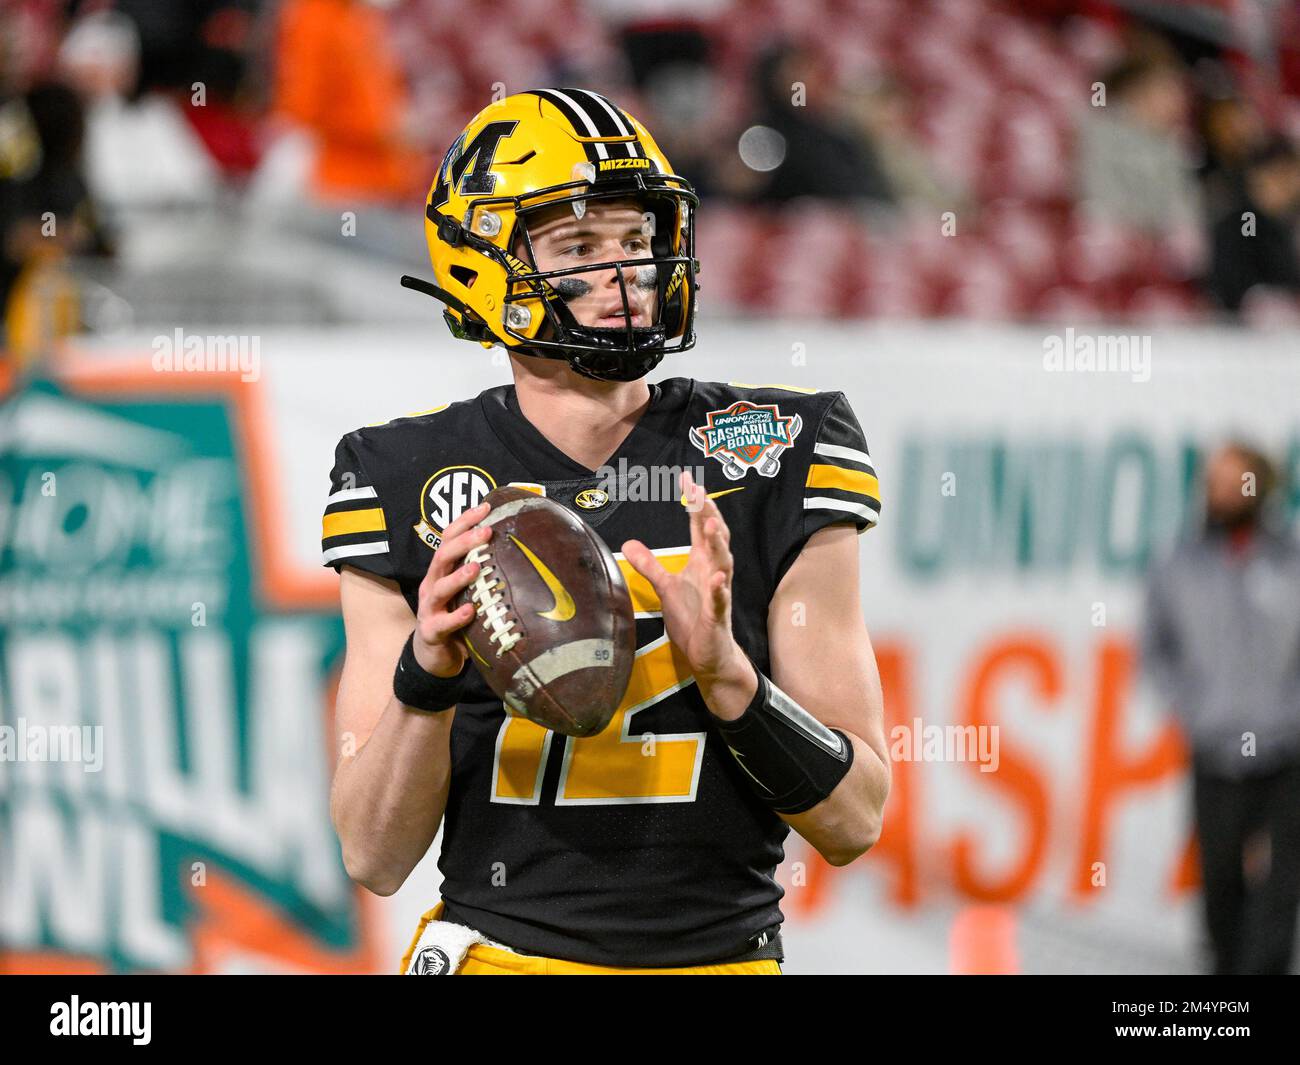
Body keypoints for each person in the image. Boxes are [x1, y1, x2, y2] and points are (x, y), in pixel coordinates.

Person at [322, 89, 890, 975]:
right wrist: (427, 671)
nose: (625, 275)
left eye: (636, 239)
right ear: (485, 264)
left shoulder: (781, 448)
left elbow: (855, 820)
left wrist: (732, 680)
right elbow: (374, 854)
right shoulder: (399, 473)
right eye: (579, 246)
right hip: (504, 959)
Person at [1143, 443, 1300, 974]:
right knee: (1221, 894)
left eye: (1235, 483)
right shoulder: (1179, 565)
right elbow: (1155, 648)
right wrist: (1193, 708)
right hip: (1214, 753)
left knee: (1280, 893)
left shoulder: (1289, 561)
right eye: (1213, 483)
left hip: (1286, 755)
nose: (1221, 494)